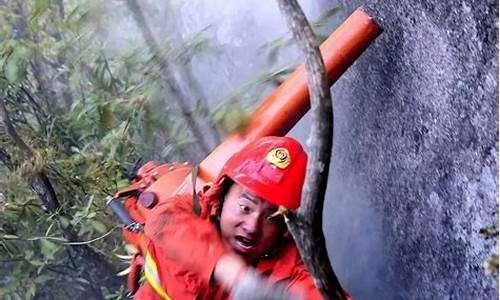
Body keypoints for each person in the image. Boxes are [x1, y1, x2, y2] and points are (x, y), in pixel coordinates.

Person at [134, 136, 348, 299]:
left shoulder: (287, 267)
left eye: (272, 218)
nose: (253, 226)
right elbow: (164, 220)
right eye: (246, 207)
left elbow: (316, 292)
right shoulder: (187, 212)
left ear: (285, 228)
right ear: (223, 194)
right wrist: (234, 273)